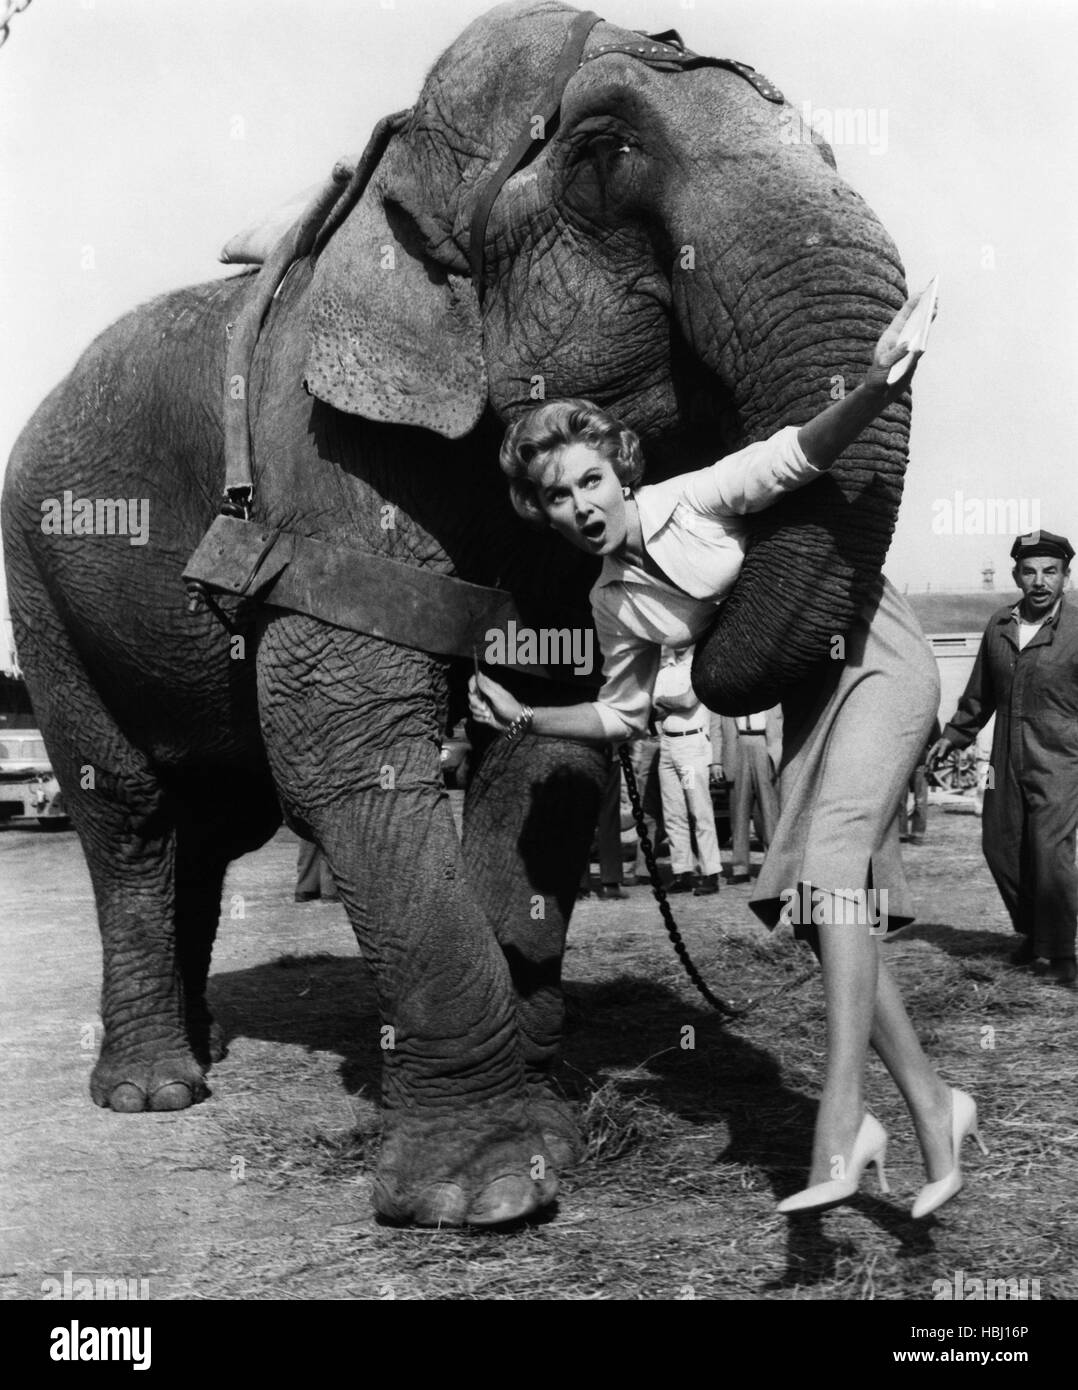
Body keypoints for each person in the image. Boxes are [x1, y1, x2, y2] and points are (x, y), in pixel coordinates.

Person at [470, 295, 981, 1219]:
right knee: (833, 912)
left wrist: (873, 387)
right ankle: (936, 1104)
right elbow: (622, 714)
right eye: (557, 496)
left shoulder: (691, 499)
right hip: (807, 698)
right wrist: (525, 719)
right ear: (540, 511)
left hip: (878, 647)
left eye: (590, 480)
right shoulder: (611, 602)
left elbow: (798, 452)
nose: (581, 505)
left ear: (618, 470)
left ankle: (842, 1121)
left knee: (831, 866)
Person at [929, 531, 1077, 987]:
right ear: (1015, 574)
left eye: (1050, 571)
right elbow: (980, 693)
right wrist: (955, 735)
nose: (1039, 581)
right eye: (1030, 571)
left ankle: (1062, 951)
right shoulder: (999, 625)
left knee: (1050, 852)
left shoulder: (1076, 628)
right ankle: (1034, 933)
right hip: (1004, 758)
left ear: (1065, 577)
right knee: (1000, 845)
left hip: (1061, 757)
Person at [653, 645, 722, 895]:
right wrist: (672, 702)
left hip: (691, 746)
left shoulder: (699, 668)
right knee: (673, 811)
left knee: (698, 808)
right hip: (668, 745)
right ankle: (683, 870)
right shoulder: (663, 672)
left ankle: (710, 871)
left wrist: (665, 700)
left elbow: (688, 700)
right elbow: (656, 711)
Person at [713, 707, 782, 881]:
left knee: (770, 811)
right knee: (738, 811)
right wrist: (716, 761)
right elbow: (716, 728)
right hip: (737, 746)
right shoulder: (730, 692)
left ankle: (773, 867)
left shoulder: (771, 689)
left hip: (765, 744)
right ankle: (740, 868)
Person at [899, 719, 940, 845]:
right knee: (905, 800)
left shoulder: (930, 716)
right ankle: (905, 833)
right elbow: (936, 739)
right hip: (906, 762)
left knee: (917, 801)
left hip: (918, 762)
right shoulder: (929, 713)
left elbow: (935, 739)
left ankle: (913, 834)